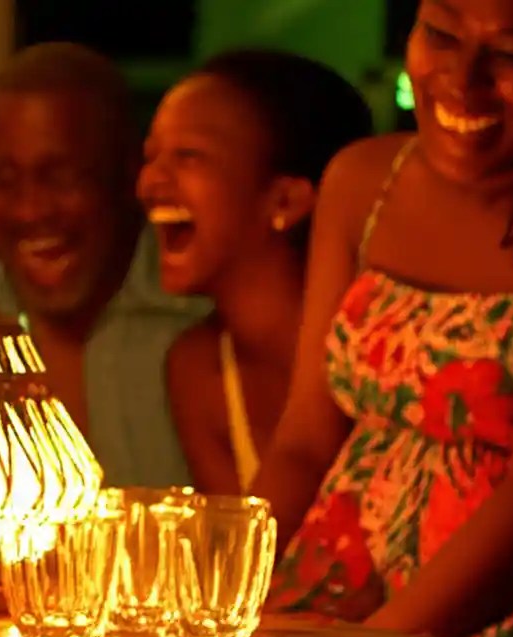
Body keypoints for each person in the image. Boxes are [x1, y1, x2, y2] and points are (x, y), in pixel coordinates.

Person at [255, 1, 513, 637]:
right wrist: (223, 585)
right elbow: (305, 437)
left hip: (493, 616)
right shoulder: (361, 182)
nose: (462, 79)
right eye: (440, 35)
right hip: (343, 587)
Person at [0, 42, 210, 488]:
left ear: (127, 175)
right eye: (0, 181)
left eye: (61, 178)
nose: (29, 210)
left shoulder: (195, 309)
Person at [139, 51, 373, 496]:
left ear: (285, 201)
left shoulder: (373, 355)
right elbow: (243, 559)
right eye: (151, 157)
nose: (149, 182)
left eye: (188, 157)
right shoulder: (199, 370)